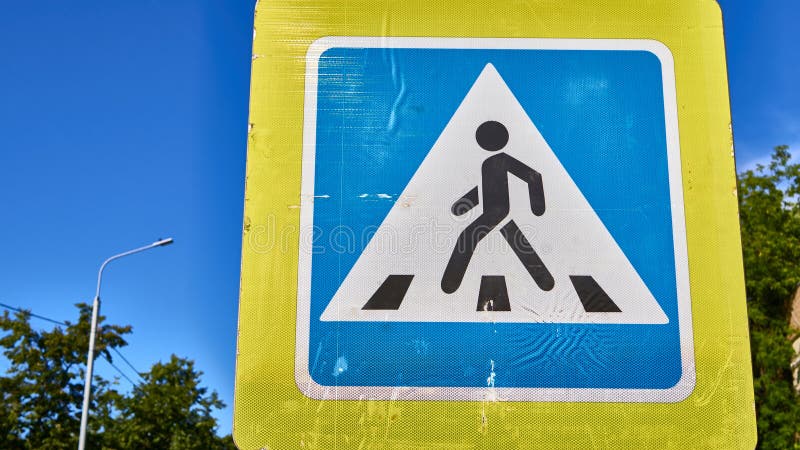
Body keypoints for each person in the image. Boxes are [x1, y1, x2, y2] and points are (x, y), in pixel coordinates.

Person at [441, 120, 554, 294]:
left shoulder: (503, 159)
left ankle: (450, 282)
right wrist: (462, 206)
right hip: (494, 211)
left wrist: (537, 206)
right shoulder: (487, 163)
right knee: (516, 241)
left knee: (468, 237)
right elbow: (484, 189)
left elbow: (533, 177)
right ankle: (545, 281)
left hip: (498, 211)